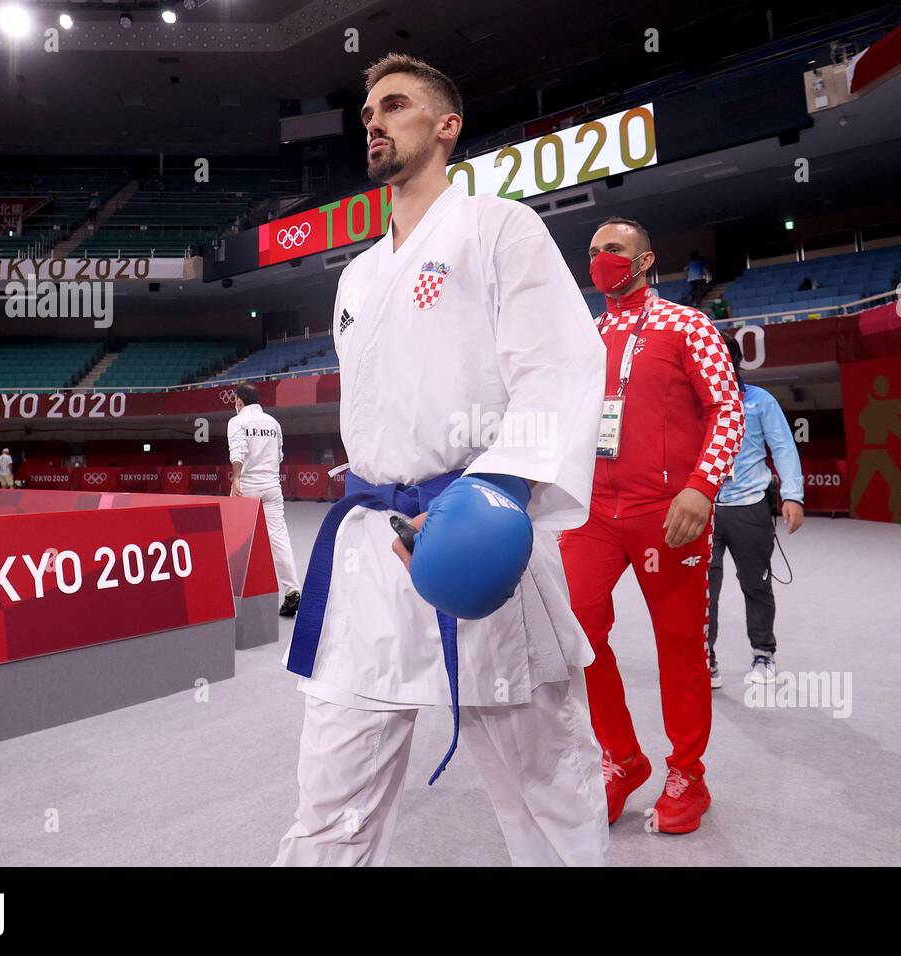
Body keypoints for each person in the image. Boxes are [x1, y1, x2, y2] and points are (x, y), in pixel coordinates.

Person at [273, 53, 608, 867]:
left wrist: (491, 495)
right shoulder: (354, 276)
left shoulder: (499, 227)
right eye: (367, 114)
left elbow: (558, 367)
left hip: (477, 531)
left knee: (544, 780)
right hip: (372, 544)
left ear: (446, 125)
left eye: (394, 106)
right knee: (330, 792)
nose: (374, 122)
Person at [559, 218, 744, 834]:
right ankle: (623, 758)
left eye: (613, 250)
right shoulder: (584, 338)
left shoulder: (687, 324)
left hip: (666, 513)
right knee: (576, 634)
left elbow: (726, 410)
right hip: (591, 512)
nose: (601, 260)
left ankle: (687, 772)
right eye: (593, 252)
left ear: (645, 261)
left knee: (679, 643)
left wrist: (700, 487)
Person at [707, 333, 804, 688]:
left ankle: (764, 653)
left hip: (750, 507)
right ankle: (706, 655)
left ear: (732, 363)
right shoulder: (694, 400)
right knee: (703, 589)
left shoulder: (760, 401)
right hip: (705, 508)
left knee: (757, 584)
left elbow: (783, 447)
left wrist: (792, 495)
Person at [227, 384, 303, 616]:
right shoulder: (273, 423)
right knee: (279, 537)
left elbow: (238, 451)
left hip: (247, 486)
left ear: (239, 401)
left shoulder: (237, 421)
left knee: (235, 539)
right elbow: (279, 455)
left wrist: (236, 478)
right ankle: (292, 591)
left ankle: (231, 596)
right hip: (272, 486)